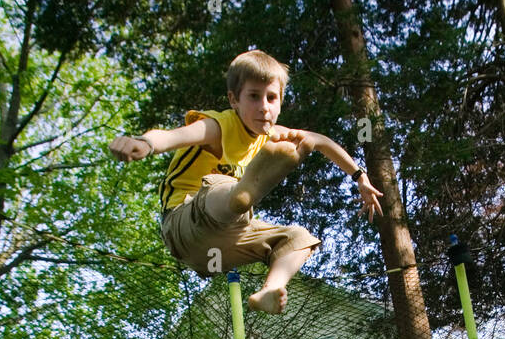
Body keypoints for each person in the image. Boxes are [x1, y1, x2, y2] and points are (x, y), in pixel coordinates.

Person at [108, 49, 383, 314]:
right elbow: (172, 136)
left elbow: (321, 141)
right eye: (254, 96)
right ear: (233, 99)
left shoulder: (274, 134)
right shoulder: (218, 126)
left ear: (280, 101)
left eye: (271, 98)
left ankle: (269, 290)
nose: (264, 107)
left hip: (217, 247)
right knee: (221, 187)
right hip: (182, 224)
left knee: (298, 238)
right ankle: (240, 197)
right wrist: (144, 143)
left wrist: (360, 177)